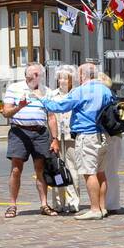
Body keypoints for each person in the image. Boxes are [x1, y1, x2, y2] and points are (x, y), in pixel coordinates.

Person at [37, 63, 114, 220]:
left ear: (83, 75)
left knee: (89, 173)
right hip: (103, 135)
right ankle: (102, 207)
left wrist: (42, 100)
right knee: (101, 173)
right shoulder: (105, 90)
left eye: (79, 74)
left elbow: (60, 106)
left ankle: (94, 209)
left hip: (87, 135)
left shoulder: (81, 91)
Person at [1, 63, 56, 218]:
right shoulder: (14, 88)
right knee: (16, 169)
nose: (36, 77)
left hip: (40, 132)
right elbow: (6, 112)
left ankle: (44, 204)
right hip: (19, 131)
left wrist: (55, 139)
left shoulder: (47, 92)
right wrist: (19, 107)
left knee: (40, 169)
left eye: (39, 74)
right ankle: (12, 205)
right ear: (27, 76)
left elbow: (51, 117)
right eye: (33, 74)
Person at [46, 66, 82, 214]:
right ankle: (59, 202)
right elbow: (50, 116)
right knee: (57, 169)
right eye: (60, 77)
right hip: (56, 136)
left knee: (72, 168)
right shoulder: (52, 95)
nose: (62, 80)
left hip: (71, 135)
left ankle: (74, 201)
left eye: (65, 77)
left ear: (72, 80)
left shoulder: (77, 94)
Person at [98, 72, 124, 214]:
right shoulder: (112, 96)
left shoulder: (106, 97)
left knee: (108, 171)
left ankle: (110, 204)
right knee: (110, 170)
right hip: (115, 136)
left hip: (110, 136)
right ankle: (108, 202)